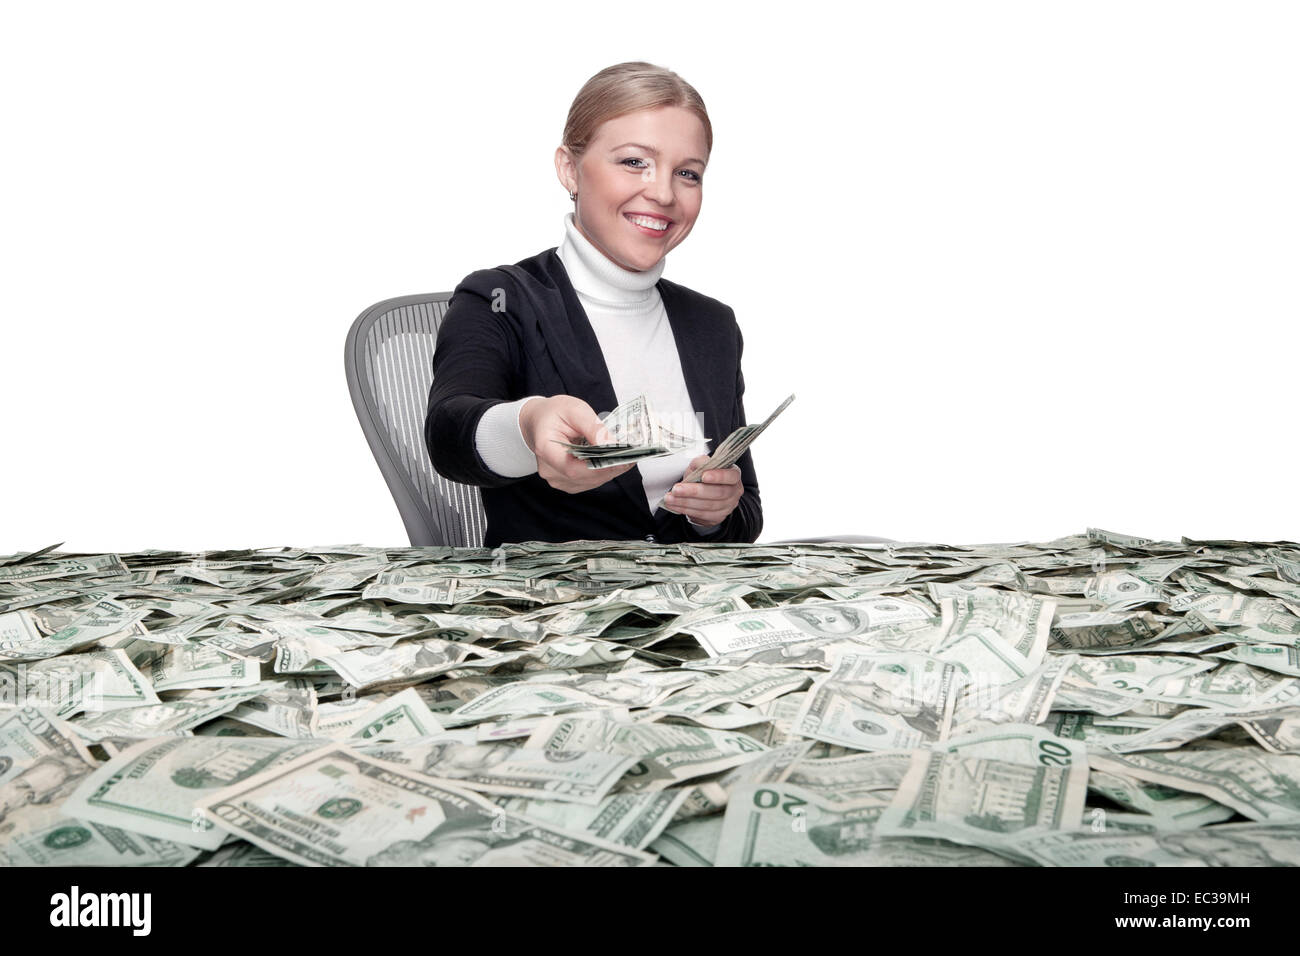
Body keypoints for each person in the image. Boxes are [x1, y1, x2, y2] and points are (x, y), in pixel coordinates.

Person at [425, 62, 762, 548]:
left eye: (687, 173)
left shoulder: (712, 324)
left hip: (687, 590)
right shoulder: (500, 298)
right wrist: (528, 425)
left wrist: (713, 513)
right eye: (634, 162)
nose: (663, 192)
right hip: (555, 593)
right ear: (569, 169)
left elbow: (746, 513)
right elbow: (448, 436)